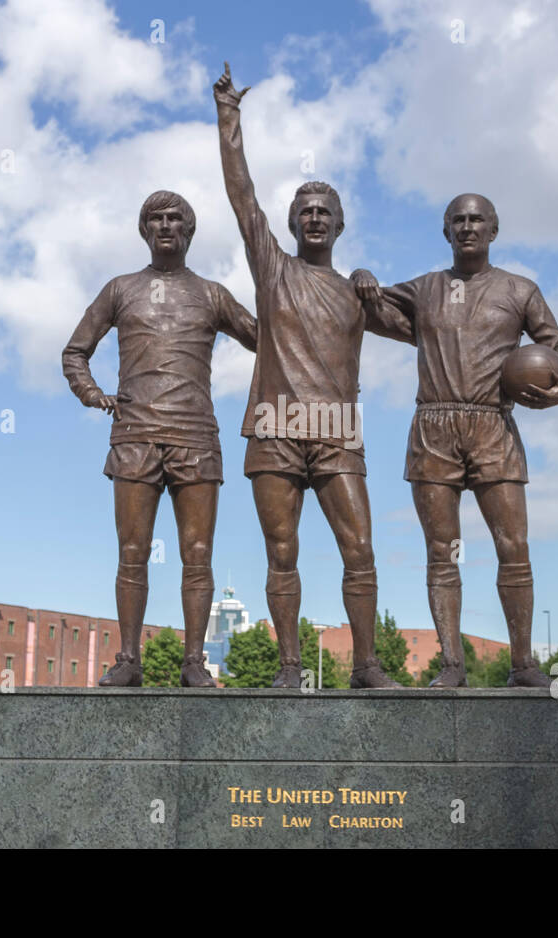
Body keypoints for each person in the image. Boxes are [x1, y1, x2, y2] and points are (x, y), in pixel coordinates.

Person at [213, 62, 411, 688]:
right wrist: (229, 119)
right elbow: (242, 195)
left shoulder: (356, 293)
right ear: (294, 224)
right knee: (282, 553)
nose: (315, 218)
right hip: (275, 428)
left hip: (336, 431)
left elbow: (424, 330)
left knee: (361, 551)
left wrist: (377, 295)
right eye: (306, 211)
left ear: (340, 224)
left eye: (326, 211)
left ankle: (368, 666)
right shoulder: (272, 267)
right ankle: (290, 668)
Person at [350, 194, 558, 686]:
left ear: (494, 230)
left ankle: (522, 665)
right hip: (434, 427)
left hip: (493, 425)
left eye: (478, 219)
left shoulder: (520, 290)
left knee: (513, 545)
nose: (468, 226)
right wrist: (361, 278)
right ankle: (452, 665)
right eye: (458, 220)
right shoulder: (426, 289)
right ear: (445, 231)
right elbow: (369, 309)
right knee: (442, 549)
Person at [63, 190, 258, 687]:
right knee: (133, 551)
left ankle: (194, 661)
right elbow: (75, 352)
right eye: (156, 219)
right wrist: (93, 395)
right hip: (134, 437)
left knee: (197, 554)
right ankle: (129, 659)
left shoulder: (213, 294)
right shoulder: (120, 289)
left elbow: (268, 341)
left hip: (195, 438)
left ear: (189, 231)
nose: (166, 226)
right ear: (144, 229)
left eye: (175, 219)